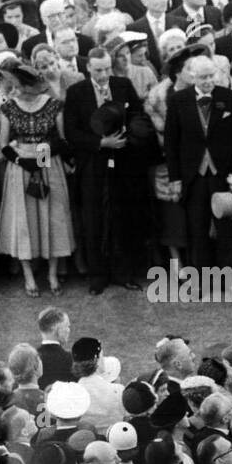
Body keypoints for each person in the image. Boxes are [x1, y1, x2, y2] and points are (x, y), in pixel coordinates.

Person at [60, 46, 151, 295]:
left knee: (122, 218)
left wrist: (128, 136)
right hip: (92, 166)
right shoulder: (76, 92)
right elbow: (72, 132)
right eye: (98, 70)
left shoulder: (123, 85)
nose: (103, 74)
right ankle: (97, 276)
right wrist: (101, 143)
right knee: (94, 219)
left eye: (107, 69)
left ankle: (124, 273)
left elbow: (138, 116)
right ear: (88, 68)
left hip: (123, 164)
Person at [163, 51, 232, 269]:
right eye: (203, 77)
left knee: (225, 230)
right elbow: (171, 143)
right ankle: (199, 279)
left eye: (212, 76)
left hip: (223, 176)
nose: (209, 81)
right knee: (197, 230)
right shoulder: (178, 101)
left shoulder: (229, 97)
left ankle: (228, 280)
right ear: (192, 77)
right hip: (194, 177)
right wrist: (175, 179)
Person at [0, 61, 74, 297]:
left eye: (21, 85)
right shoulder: (10, 108)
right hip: (19, 168)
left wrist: (40, 159)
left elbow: (61, 140)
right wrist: (22, 161)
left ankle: (52, 272)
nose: (19, 90)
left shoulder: (53, 105)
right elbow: (4, 145)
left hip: (48, 164)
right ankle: (28, 274)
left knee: (53, 217)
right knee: (23, 220)